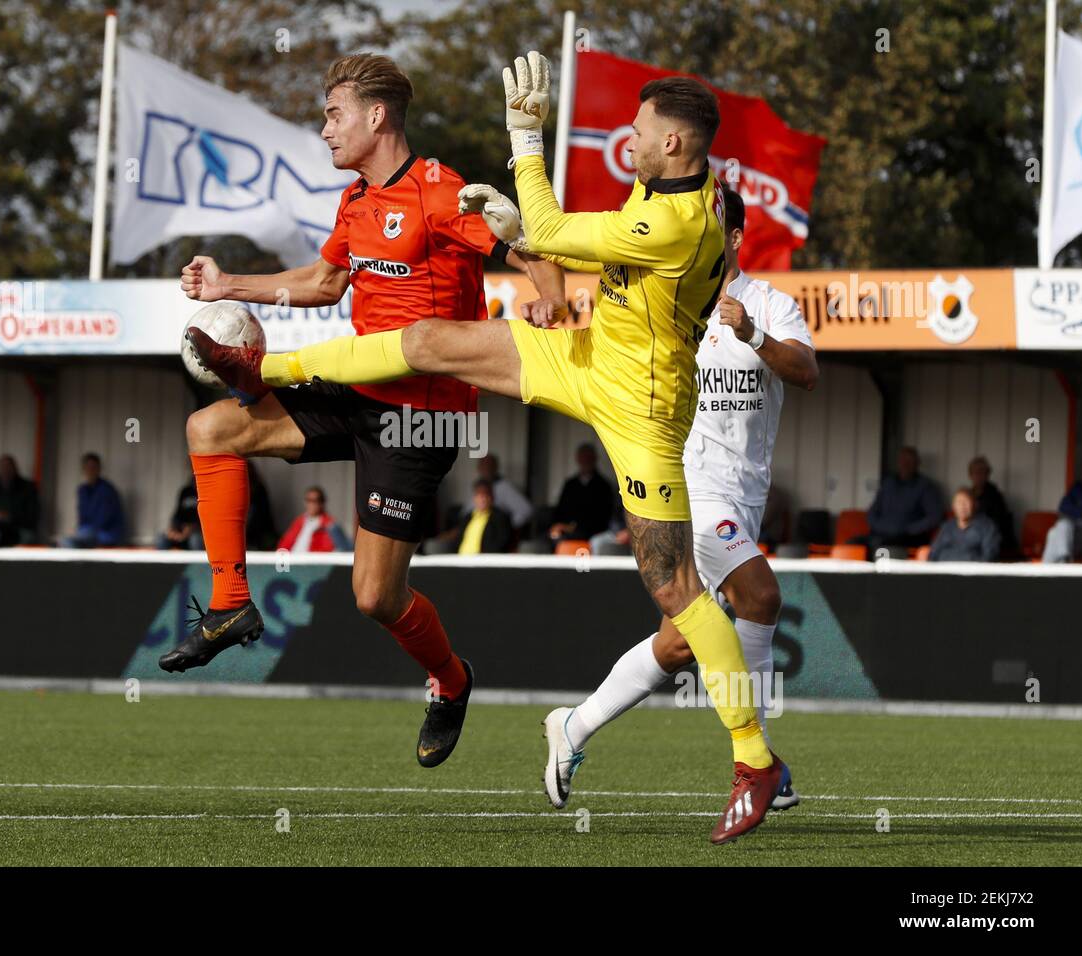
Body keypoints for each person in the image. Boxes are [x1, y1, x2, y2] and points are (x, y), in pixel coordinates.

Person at [198, 56, 784, 841]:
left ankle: (754, 758)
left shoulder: (674, 219)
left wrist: (524, 141)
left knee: (676, 591)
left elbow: (552, 232)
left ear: (675, 142)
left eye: (639, 131)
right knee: (428, 339)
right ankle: (262, 368)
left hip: (641, 407)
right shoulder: (678, 186)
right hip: (588, 356)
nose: (627, 139)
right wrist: (539, 257)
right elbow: (583, 254)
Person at [160, 52, 567, 770]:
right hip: (357, 390)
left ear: (376, 116)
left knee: (375, 597)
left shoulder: (439, 192)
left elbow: (524, 240)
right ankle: (229, 603)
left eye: (333, 113)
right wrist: (229, 282)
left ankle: (451, 679)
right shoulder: (355, 201)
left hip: (425, 416)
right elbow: (323, 282)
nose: (324, 129)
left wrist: (548, 292)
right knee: (210, 427)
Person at [543, 185, 818, 816]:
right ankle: (758, 763)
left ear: (736, 240)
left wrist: (752, 336)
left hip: (742, 495)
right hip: (687, 483)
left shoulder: (769, 304)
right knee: (760, 595)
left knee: (678, 644)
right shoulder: (669, 298)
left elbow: (805, 371)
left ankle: (572, 727)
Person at [859, 446, 944, 555]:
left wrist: (908, 529)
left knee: (884, 546)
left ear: (917, 464)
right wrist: (881, 527)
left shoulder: (925, 486)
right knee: (852, 545)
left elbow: (935, 516)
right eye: (902, 461)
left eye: (909, 461)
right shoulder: (888, 483)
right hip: (880, 534)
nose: (905, 464)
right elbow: (871, 513)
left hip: (907, 538)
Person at [547, 442, 614, 543]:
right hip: (567, 532)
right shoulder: (570, 484)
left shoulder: (603, 486)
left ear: (594, 459)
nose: (586, 461)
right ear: (578, 459)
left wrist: (572, 527)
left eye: (588, 458)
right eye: (583, 457)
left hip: (592, 534)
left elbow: (602, 517)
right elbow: (560, 511)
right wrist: (557, 526)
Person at [60, 453, 125, 548]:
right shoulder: (82, 490)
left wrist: (84, 532)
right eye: (87, 468)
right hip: (89, 534)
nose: (90, 471)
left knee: (74, 541)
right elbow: (82, 518)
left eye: (93, 468)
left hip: (107, 534)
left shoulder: (107, 490)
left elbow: (103, 520)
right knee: (67, 541)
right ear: (83, 469)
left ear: (99, 469)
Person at [0, 454, 40, 548]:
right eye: (2, 468)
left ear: (14, 469)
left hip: (20, 527)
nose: (4, 471)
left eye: (7, 467)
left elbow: (31, 519)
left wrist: (9, 517)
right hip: (0, 526)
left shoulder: (28, 487)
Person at [433, 479, 513, 554]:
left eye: (486, 494)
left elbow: (502, 543)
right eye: (479, 495)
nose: (483, 499)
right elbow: (458, 539)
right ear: (474, 497)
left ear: (492, 497)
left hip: (483, 562)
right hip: (460, 560)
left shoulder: (500, 518)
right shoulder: (467, 517)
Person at [928, 488, 1000, 562]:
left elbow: (990, 556)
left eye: (966, 502)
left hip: (974, 571)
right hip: (944, 570)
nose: (962, 506)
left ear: (975, 504)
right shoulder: (947, 527)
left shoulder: (987, 526)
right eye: (958, 502)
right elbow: (933, 554)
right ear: (953, 506)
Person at [967, 455, 1015, 560]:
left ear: (988, 475)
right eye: (976, 472)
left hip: (988, 538)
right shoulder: (967, 495)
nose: (980, 476)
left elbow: (996, 525)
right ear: (970, 475)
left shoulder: (995, 496)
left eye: (983, 472)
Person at [277, 486, 352, 553]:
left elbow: (341, 549)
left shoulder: (331, 526)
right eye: (308, 500)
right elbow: (284, 544)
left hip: (311, 563)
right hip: (291, 562)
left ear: (322, 503)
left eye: (315, 500)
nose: (312, 504)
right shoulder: (299, 521)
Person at [475, 453, 533, 532]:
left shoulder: (504, 487)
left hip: (492, 533)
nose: (485, 469)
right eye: (482, 465)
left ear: (495, 467)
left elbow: (527, 510)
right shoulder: (478, 486)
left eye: (488, 466)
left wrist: (506, 527)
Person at [1043, 479, 1082, 563]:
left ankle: (1046, 569)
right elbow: (1063, 507)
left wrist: (1076, 511)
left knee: (1055, 533)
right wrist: (1079, 512)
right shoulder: (1079, 488)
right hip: (1073, 532)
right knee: (1056, 530)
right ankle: (1064, 558)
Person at [157, 475, 202, 551]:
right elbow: (177, 513)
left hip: (196, 531)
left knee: (195, 540)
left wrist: (190, 529)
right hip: (180, 531)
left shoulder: (205, 492)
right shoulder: (185, 491)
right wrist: (173, 529)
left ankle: (195, 563)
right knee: (161, 538)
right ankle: (164, 562)